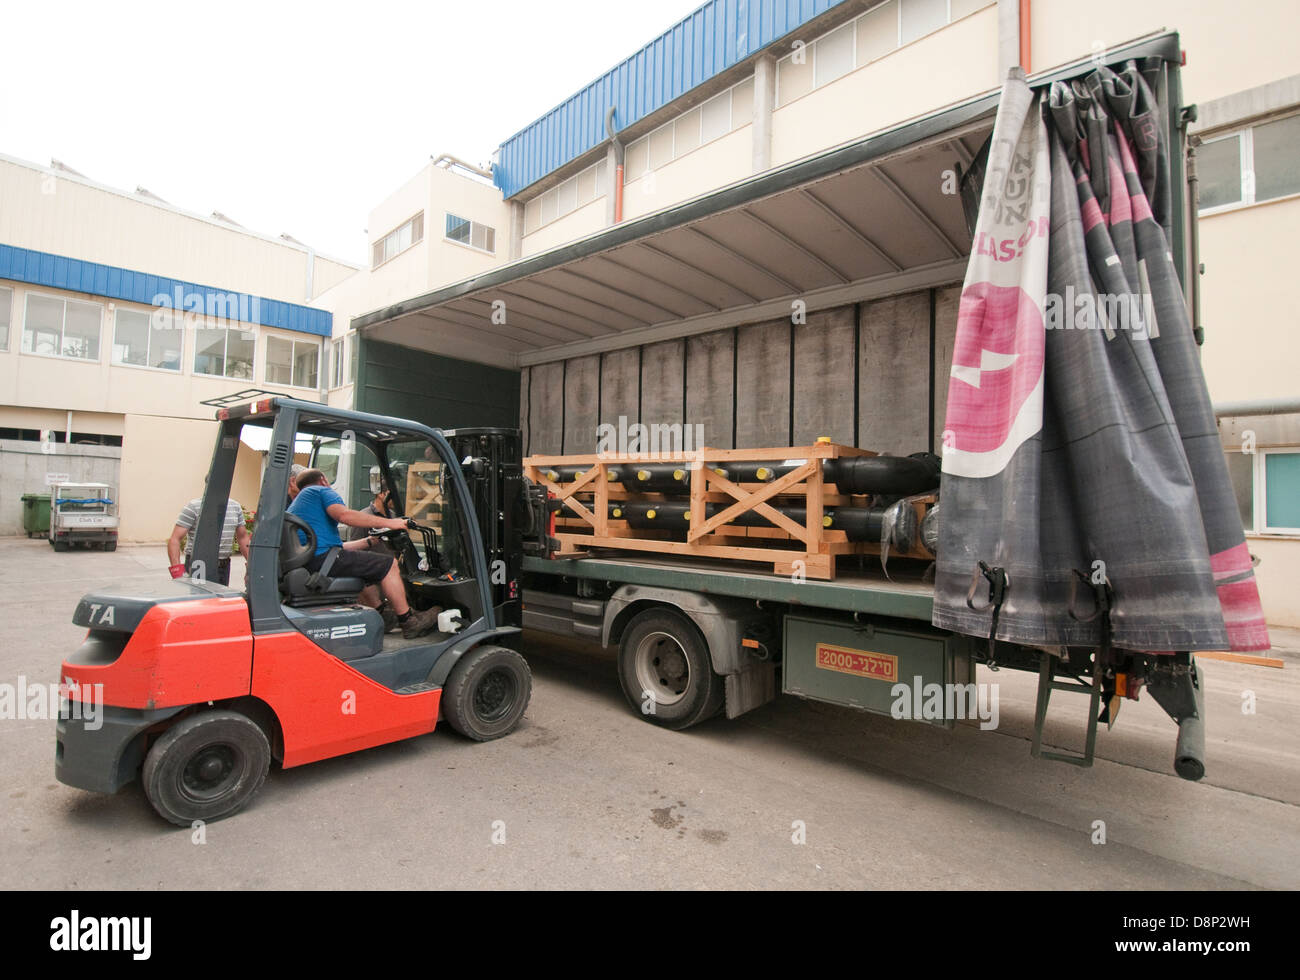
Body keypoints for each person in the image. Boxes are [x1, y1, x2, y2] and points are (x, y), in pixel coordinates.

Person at [288, 469, 440, 639]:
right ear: (323, 479)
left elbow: (335, 548)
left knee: (363, 565)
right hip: (323, 560)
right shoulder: (320, 490)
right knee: (389, 565)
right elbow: (344, 515)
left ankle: (383, 613)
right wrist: (393, 523)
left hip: (317, 561)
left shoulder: (301, 503)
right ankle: (409, 621)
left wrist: (368, 542)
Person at [168, 496, 250, 586]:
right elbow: (175, 539)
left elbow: (243, 537)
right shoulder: (193, 506)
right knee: (198, 598)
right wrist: (177, 572)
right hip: (199, 564)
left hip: (223, 566)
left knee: (220, 598)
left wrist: (250, 566)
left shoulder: (235, 507)